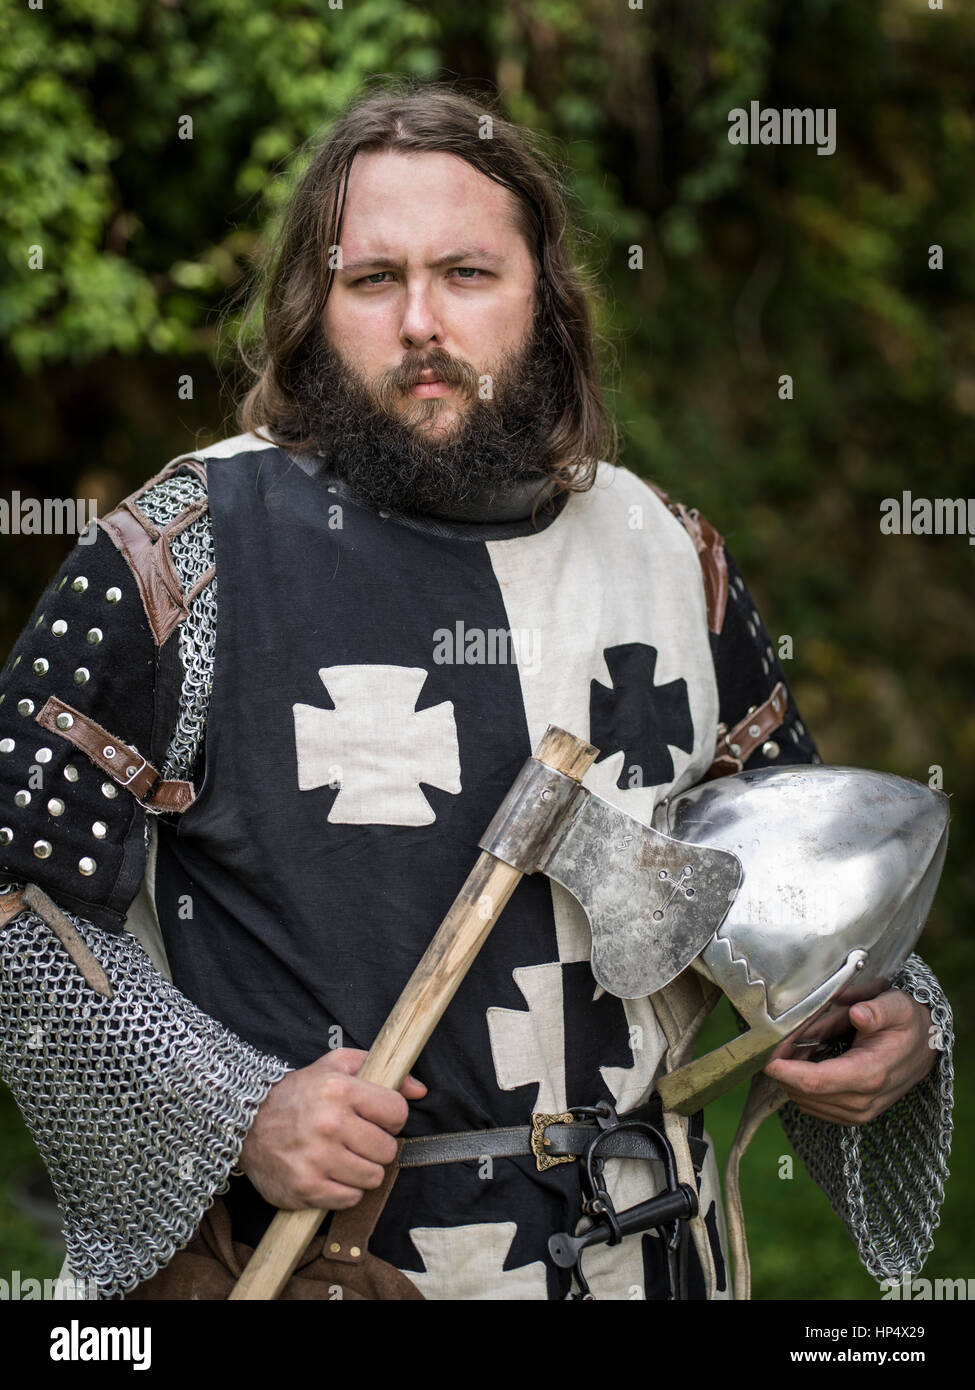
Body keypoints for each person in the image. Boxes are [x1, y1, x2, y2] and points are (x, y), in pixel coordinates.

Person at [0, 82, 952, 1301]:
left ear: (544, 301)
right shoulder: (188, 546)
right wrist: (238, 1113)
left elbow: (790, 886)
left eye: (466, 273)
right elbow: (18, 890)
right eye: (372, 280)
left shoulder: (671, 553)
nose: (420, 322)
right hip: (326, 1264)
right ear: (312, 307)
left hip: (651, 1256)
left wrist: (887, 1021)